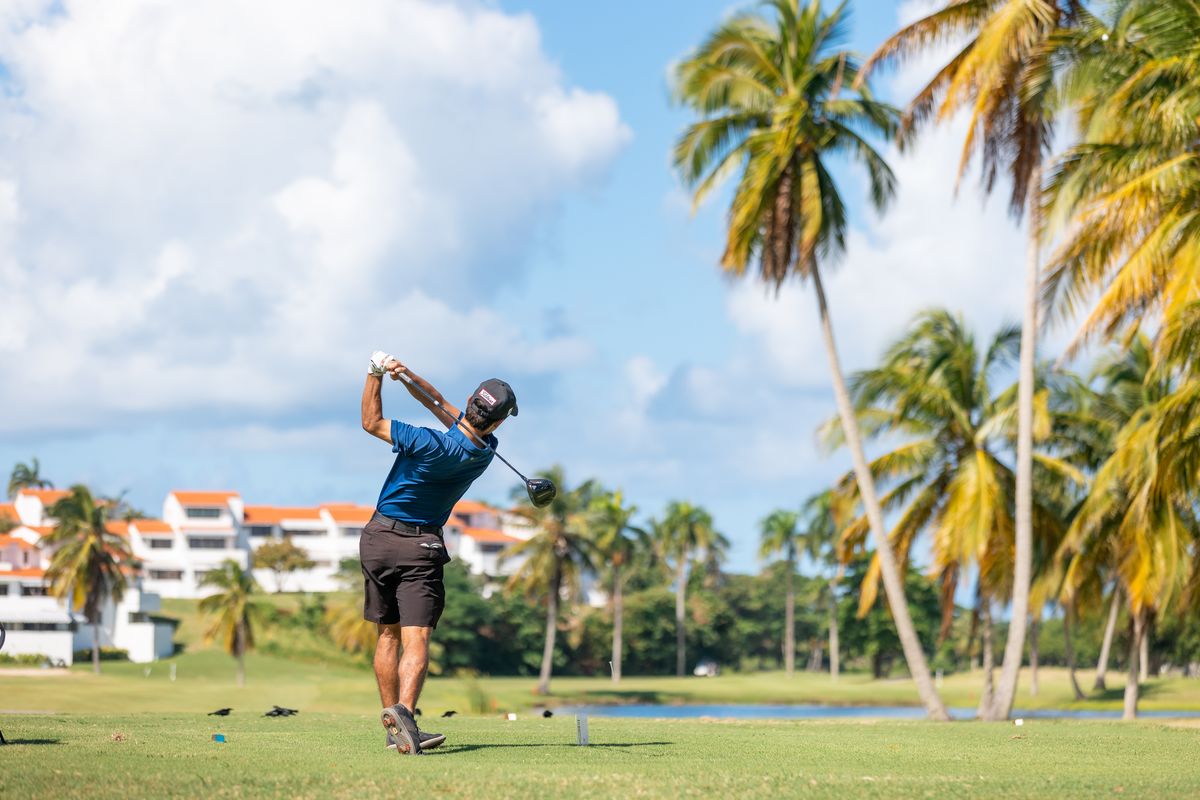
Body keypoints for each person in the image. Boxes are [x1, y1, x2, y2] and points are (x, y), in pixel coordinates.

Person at [359, 350, 518, 756]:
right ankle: (405, 719)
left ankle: (396, 724)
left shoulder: (425, 441)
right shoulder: (483, 451)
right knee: (418, 637)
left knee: (388, 635)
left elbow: (371, 422)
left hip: (377, 538)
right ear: (498, 421)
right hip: (420, 547)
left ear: (471, 401)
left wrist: (375, 373)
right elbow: (437, 403)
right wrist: (407, 375)